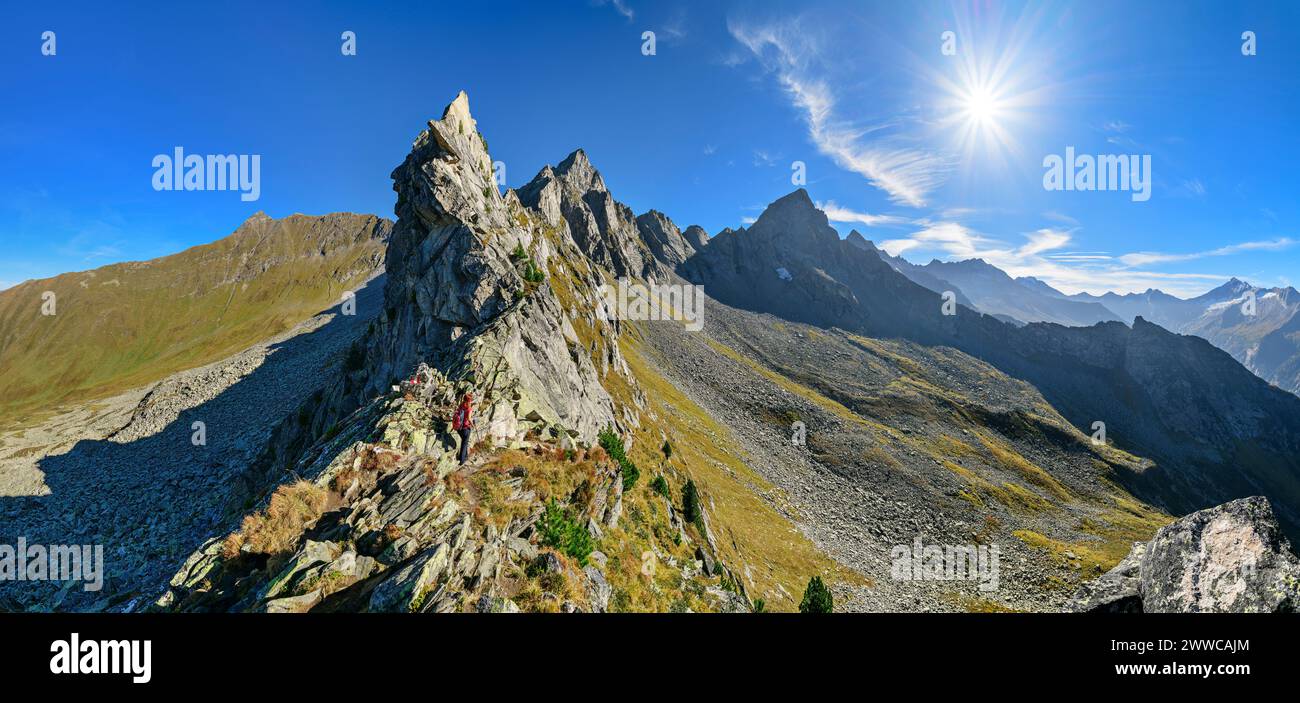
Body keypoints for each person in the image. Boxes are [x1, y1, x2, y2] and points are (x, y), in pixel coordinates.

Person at [452, 393, 474, 464]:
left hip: (459, 428)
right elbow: (469, 419)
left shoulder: (461, 405)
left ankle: (465, 456)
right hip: (465, 429)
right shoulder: (469, 409)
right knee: (464, 444)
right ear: (469, 401)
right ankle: (462, 460)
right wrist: (473, 426)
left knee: (465, 442)